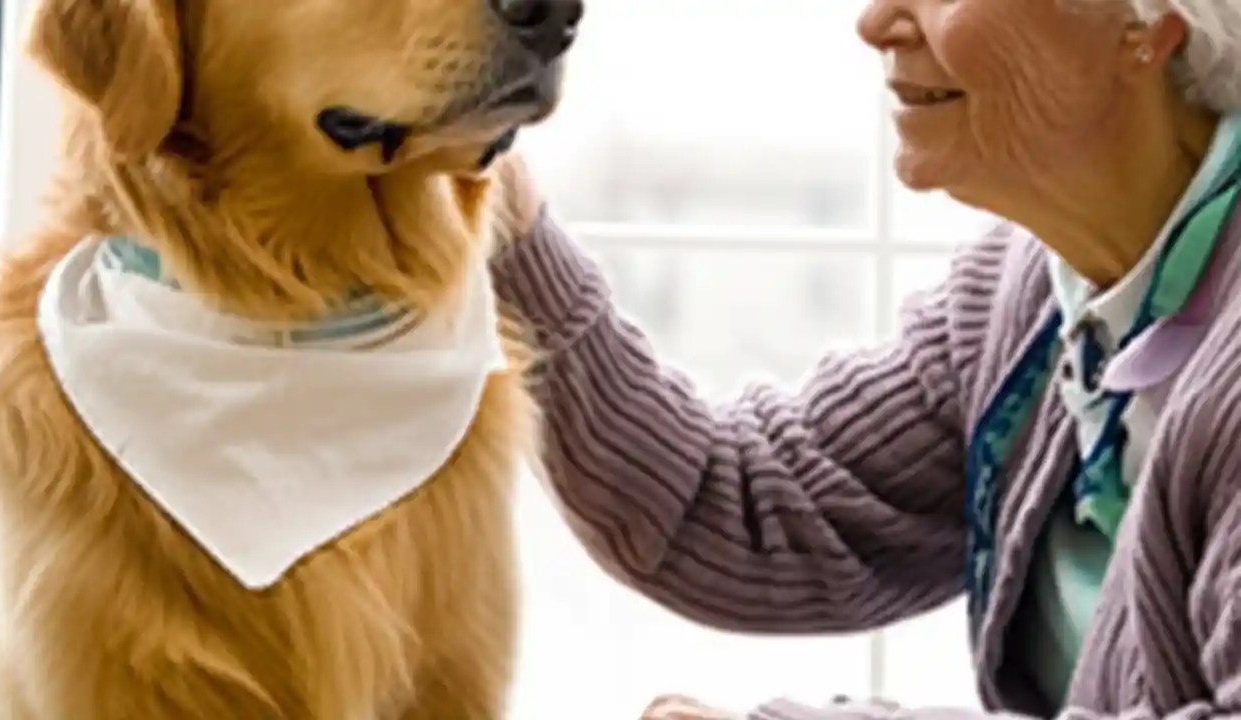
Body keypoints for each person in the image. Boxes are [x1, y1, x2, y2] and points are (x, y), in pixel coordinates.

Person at [487, 0, 1241, 713]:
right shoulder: (1027, 299)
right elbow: (740, 507)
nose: (875, 22)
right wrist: (501, 210)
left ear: (1148, 29)